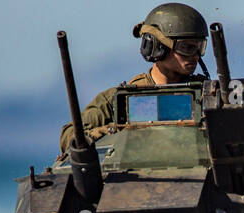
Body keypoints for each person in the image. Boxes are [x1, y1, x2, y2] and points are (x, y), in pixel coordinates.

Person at [59, 4, 209, 153]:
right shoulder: (118, 100)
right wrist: (116, 130)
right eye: (187, 48)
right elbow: (70, 135)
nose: (196, 55)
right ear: (157, 47)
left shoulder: (207, 95)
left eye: (200, 47)